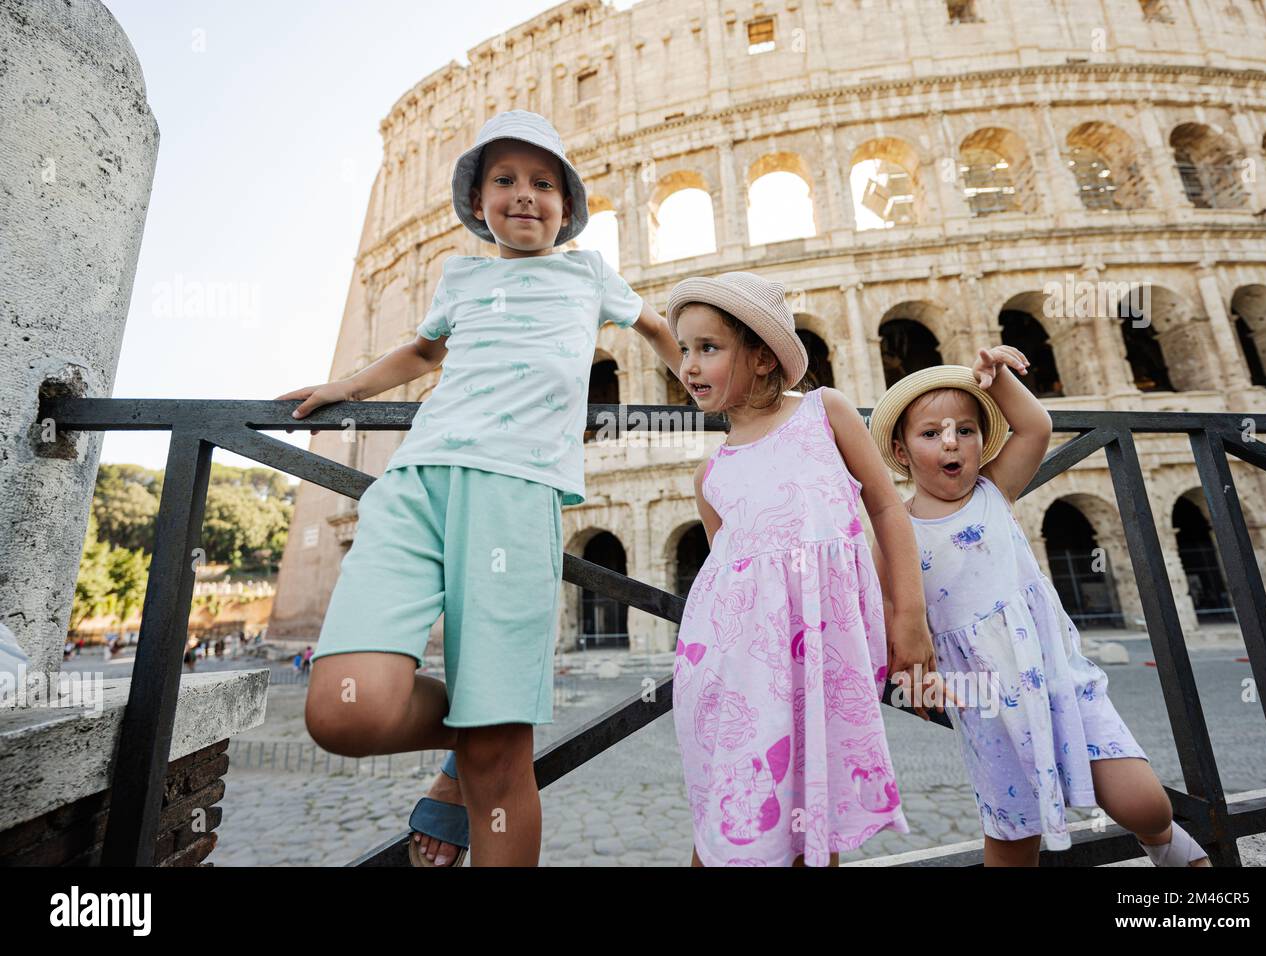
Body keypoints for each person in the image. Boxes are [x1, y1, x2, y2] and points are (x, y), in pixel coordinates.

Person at [282, 111, 685, 867]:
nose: (523, 195)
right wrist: (347, 385)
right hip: (412, 483)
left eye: (543, 183)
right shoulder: (461, 275)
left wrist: (701, 387)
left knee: (500, 764)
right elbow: (423, 350)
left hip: (516, 492)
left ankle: (474, 748)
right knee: (346, 714)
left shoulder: (588, 272)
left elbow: (658, 329)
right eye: (504, 180)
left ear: (568, 208)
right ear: (478, 200)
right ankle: (470, 729)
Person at [868, 346, 1211, 867]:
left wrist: (997, 378)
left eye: (965, 429)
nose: (951, 442)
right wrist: (918, 683)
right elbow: (894, 621)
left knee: (1145, 803)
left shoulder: (993, 490)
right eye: (931, 433)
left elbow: (1035, 428)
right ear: (901, 449)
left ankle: (1172, 850)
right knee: (1012, 841)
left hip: (1057, 678)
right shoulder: (897, 530)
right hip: (984, 701)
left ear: (982, 440)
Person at [668, 271, 938, 866]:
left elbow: (888, 506)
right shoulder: (709, 475)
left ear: (764, 358)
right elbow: (727, 579)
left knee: (814, 815)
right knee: (731, 817)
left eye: (707, 348)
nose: (687, 365)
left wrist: (908, 616)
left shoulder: (826, 411)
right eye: (684, 349)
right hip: (732, 674)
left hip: (825, 658)